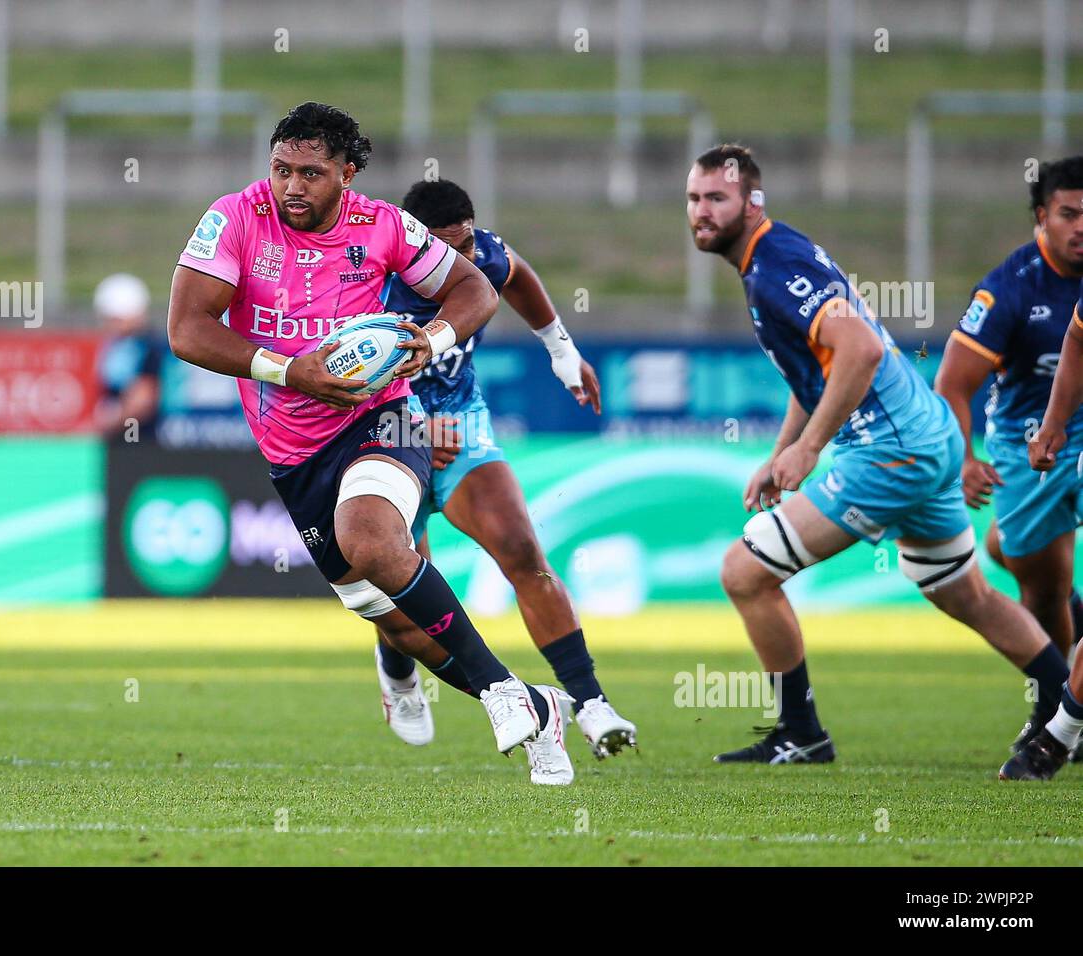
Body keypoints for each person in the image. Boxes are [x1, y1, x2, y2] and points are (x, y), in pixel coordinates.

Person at [166, 102, 574, 784]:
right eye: (281, 170)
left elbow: (474, 288)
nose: (291, 187)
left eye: (311, 173)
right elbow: (186, 328)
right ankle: (537, 705)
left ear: (347, 175)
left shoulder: (383, 225)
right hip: (292, 456)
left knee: (372, 540)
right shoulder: (236, 218)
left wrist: (432, 341)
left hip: (380, 419)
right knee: (399, 623)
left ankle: (503, 694)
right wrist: (291, 370)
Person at [685, 144, 1068, 765]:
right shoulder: (774, 255)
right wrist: (781, 450)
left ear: (753, 203)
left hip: (893, 453)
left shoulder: (773, 266)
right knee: (963, 595)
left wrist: (808, 450)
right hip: (926, 438)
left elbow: (858, 350)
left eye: (716, 199)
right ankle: (1066, 716)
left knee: (745, 572)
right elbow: (819, 371)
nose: (702, 212)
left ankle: (801, 732)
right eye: (695, 200)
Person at [369, 178, 637, 760]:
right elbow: (342, 370)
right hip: (382, 430)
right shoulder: (372, 279)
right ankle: (397, 675)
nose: (462, 261)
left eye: (465, 245)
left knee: (520, 549)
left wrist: (561, 350)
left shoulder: (481, 255)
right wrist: (410, 424)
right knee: (401, 586)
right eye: (446, 249)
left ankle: (591, 703)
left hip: (463, 421)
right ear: (411, 242)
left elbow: (516, 273)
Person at [932, 155, 1083, 753]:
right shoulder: (1008, 290)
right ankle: (1057, 694)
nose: (1081, 227)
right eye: (1069, 214)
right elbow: (952, 385)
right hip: (1029, 447)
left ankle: (1062, 720)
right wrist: (965, 459)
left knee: (1038, 570)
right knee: (1041, 588)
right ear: (1040, 217)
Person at [1006, 275, 1083, 779]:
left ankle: (1058, 733)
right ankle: (1059, 735)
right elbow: (1079, 333)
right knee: (1019, 557)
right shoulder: (1011, 287)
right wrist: (1054, 420)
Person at [93, 273, 165, 442]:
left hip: (139, 440)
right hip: (122, 439)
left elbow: (143, 399)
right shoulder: (117, 345)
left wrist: (111, 423)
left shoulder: (148, 346)